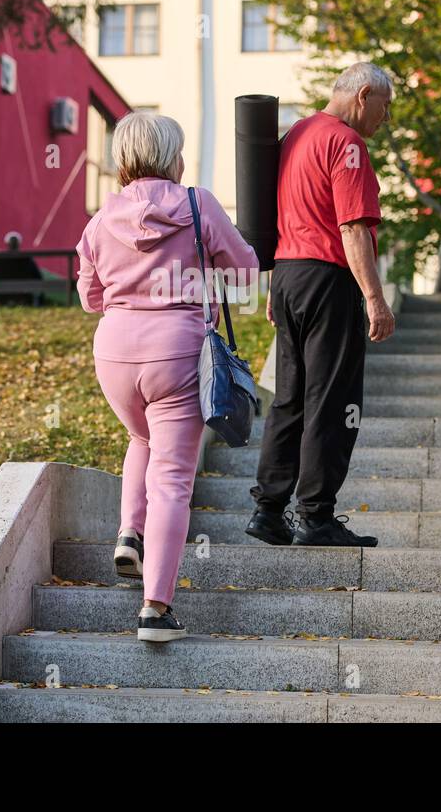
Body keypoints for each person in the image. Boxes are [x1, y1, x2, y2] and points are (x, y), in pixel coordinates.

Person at [77, 112, 258, 642]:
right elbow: (245, 271)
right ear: (170, 156)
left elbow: (90, 298)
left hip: (114, 353)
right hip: (176, 350)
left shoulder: (100, 217)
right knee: (174, 479)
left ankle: (128, 534)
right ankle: (155, 609)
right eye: (180, 152)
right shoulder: (198, 204)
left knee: (140, 437)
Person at [246, 62, 396, 549]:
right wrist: (374, 298)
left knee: (290, 397)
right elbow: (352, 227)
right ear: (364, 94)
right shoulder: (345, 143)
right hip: (330, 279)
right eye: (384, 107)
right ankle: (316, 516)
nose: (385, 118)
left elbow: (282, 215)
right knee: (331, 400)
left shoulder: (296, 134)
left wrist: (275, 286)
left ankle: (268, 510)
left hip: (289, 277)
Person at [0, 231, 44, 306]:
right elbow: (38, 277)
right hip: (23, 297)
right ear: (19, 244)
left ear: (7, 244)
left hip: (1, 297)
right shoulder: (27, 259)